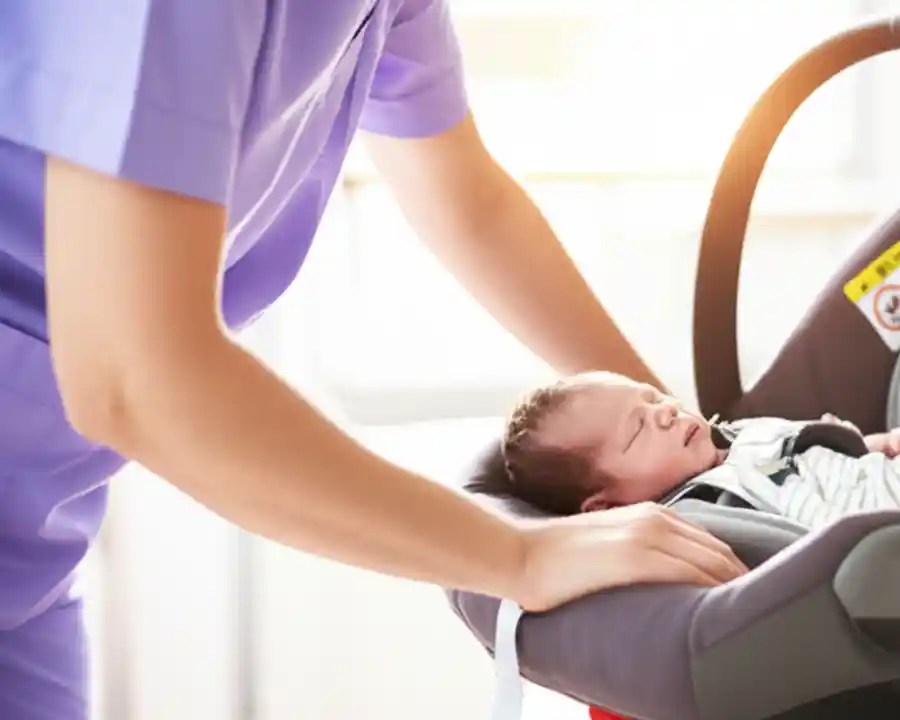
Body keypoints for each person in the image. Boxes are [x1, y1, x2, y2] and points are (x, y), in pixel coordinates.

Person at [0, 3, 746, 717]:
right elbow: (135, 380)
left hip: (33, 545)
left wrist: (706, 436)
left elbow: (469, 202)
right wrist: (523, 558)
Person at [500, 372, 900, 529]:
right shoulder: (703, 512)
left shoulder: (733, 439)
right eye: (639, 429)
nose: (665, 411)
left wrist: (881, 443)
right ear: (607, 506)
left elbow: (822, 447)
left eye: (655, 397)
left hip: (893, 476)